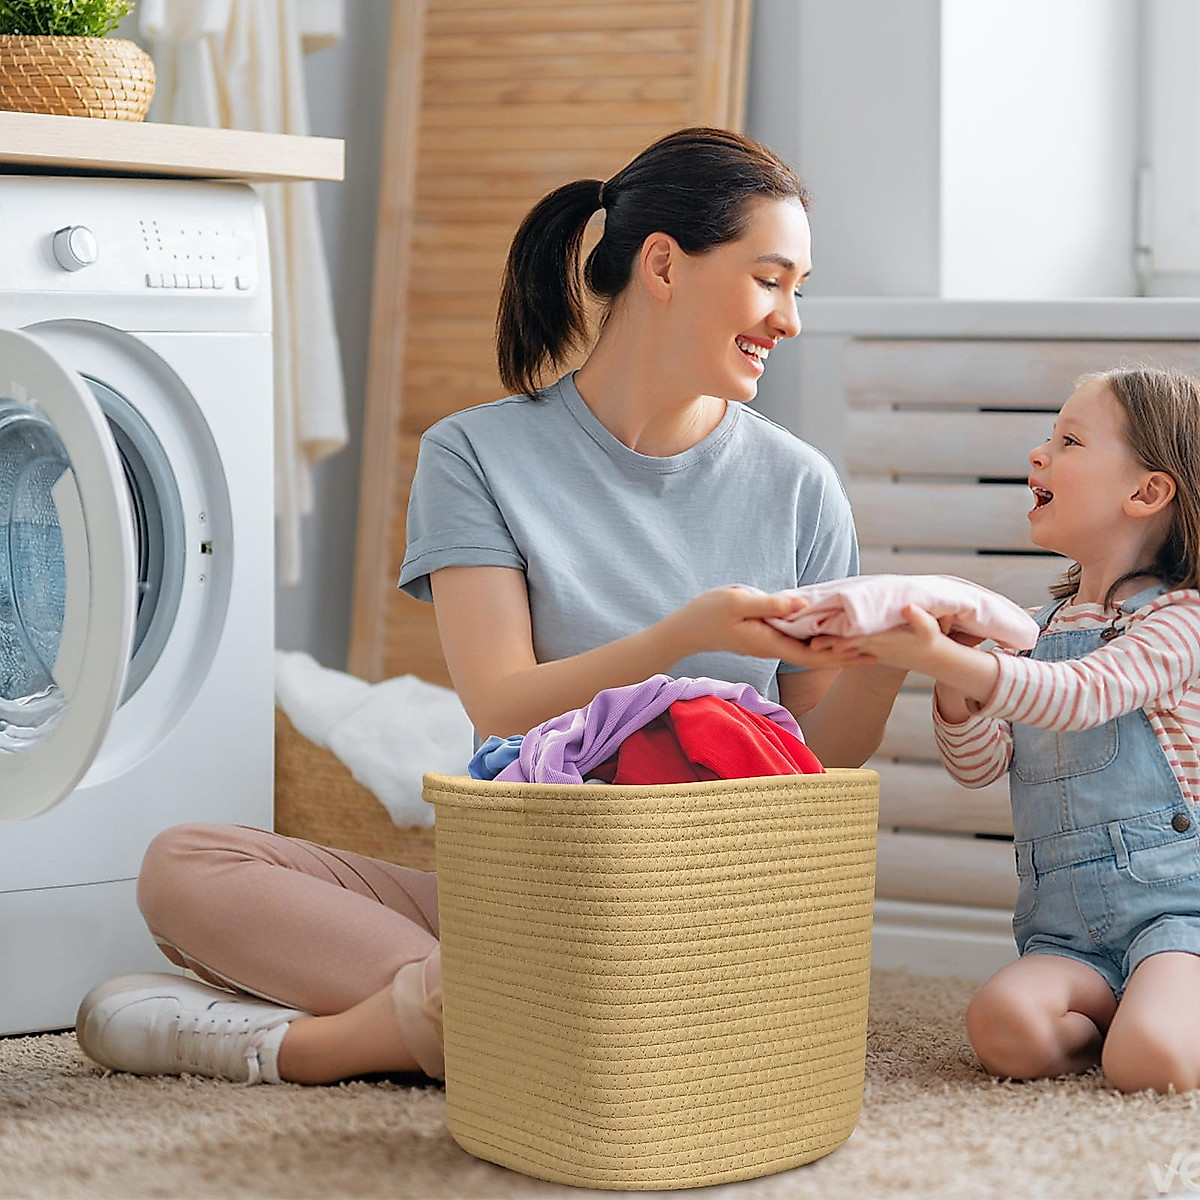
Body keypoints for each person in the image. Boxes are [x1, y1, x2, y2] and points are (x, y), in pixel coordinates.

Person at [73, 127, 904, 1087]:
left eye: (797, 287)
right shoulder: (476, 456)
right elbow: (506, 705)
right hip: (522, 890)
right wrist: (689, 636)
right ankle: (499, 1009)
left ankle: (303, 1047)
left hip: (687, 913)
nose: (790, 319)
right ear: (664, 265)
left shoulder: (801, 486)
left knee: (579, 981)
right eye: (770, 280)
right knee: (185, 864)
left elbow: (806, 762)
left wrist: (886, 665)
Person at [818, 366, 1200, 1094]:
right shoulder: (1032, 631)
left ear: (1146, 492)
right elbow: (979, 764)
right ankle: (1136, 1013)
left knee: (1152, 1066)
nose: (1038, 454)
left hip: (1178, 915)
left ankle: (1162, 1011)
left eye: (1069, 441)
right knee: (1003, 1030)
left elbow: (1084, 696)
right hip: (1065, 933)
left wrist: (936, 655)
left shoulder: (1180, 622)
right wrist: (955, 680)